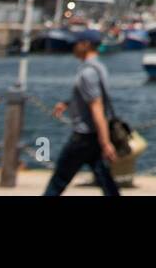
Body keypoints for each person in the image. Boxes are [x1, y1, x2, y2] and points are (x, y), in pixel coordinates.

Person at [44, 37, 121, 196]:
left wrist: (105, 142)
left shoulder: (88, 73)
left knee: (59, 180)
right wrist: (68, 103)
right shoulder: (99, 67)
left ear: (86, 44)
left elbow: (97, 107)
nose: (73, 47)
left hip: (84, 136)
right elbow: (93, 99)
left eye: (76, 43)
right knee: (105, 180)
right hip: (93, 137)